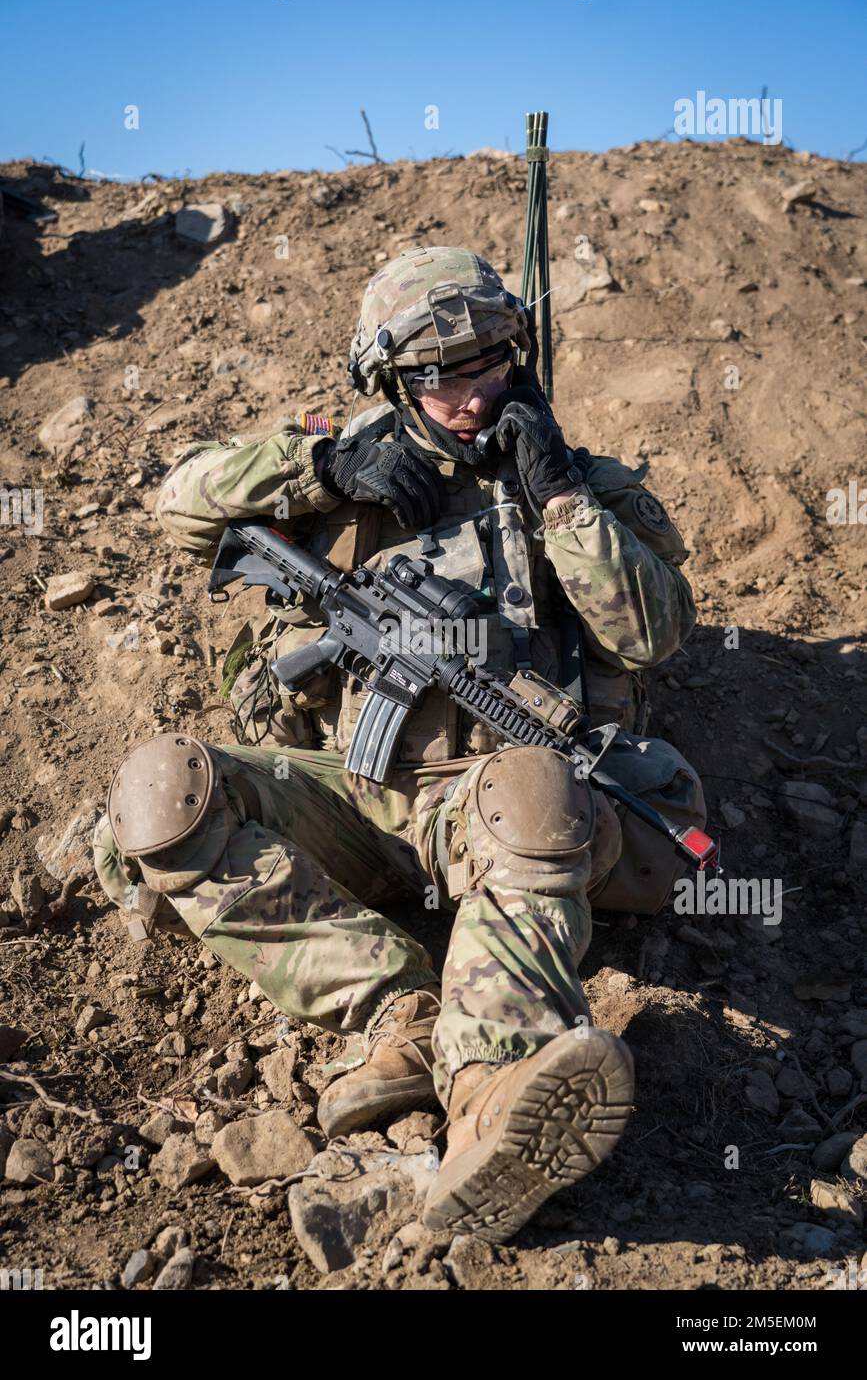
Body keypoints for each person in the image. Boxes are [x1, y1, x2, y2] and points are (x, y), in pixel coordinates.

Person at [93, 246, 706, 1242]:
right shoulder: (341, 462)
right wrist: (324, 463)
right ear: (390, 380)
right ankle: (397, 1013)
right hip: (360, 801)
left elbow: (654, 632)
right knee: (163, 789)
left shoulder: (583, 488)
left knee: (535, 787)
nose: (471, 397)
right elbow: (178, 500)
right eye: (439, 376)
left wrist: (558, 503)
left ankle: (488, 1098)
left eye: (491, 365)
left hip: (514, 813)